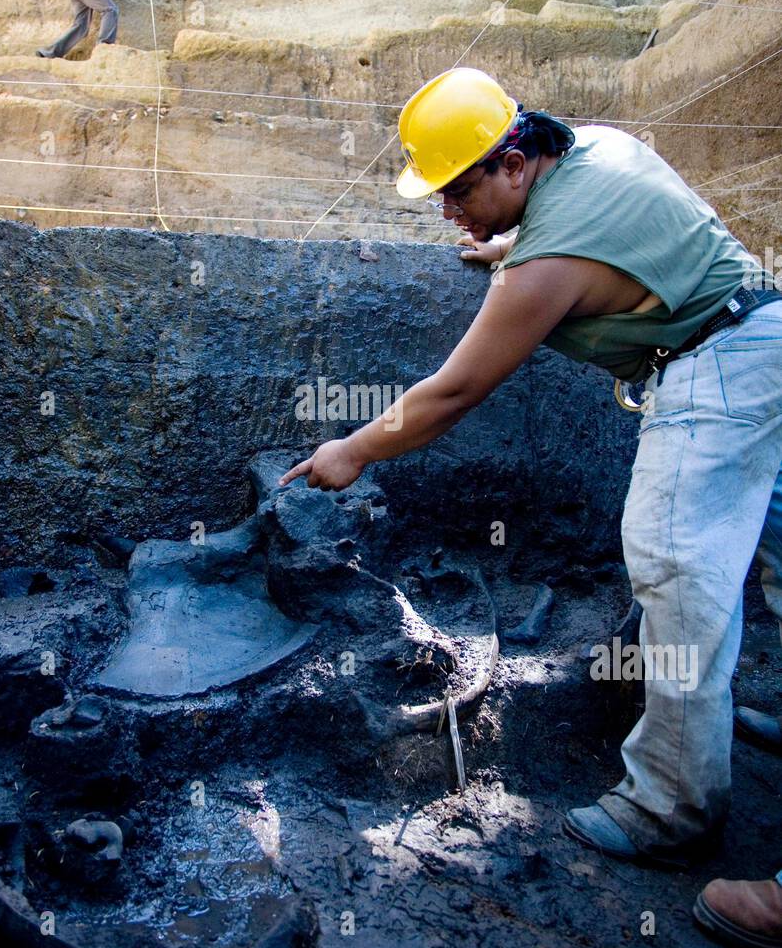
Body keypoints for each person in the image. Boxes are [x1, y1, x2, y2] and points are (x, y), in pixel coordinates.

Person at [278, 65, 782, 876]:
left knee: (675, 568)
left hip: (717, 370)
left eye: (457, 189)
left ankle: (671, 807)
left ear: (514, 164)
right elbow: (611, 231)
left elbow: (455, 391)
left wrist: (353, 450)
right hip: (768, 332)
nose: (447, 210)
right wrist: (514, 240)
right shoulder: (597, 150)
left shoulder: (545, 267)